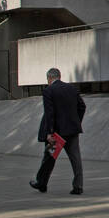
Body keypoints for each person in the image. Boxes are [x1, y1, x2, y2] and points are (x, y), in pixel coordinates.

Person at [29, 67, 86, 195]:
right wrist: (76, 122)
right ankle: (78, 186)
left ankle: (42, 183)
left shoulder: (49, 91)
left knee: (49, 158)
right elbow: (82, 106)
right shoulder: (72, 89)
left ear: (49, 78)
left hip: (56, 134)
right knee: (76, 159)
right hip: (72, 131)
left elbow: (50, 113)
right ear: (59, 77)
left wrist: (49, 132)